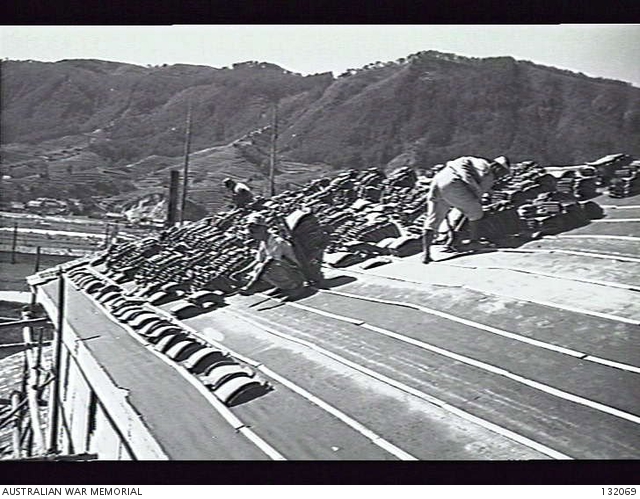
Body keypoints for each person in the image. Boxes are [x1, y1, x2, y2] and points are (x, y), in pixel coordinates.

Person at [422, 155, 510, 264]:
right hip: (454, 183)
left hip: (440, 178)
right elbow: (477, 196)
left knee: (433, 220)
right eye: (502, 173)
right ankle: (474, 242)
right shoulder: (489, 175)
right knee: (476, 212)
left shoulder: (476, 161)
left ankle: (426, 254)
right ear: (497, 167)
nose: (501, 176)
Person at [234, 213, 307, 298]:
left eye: (254, 231)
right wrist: (241, 272)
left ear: (264, 229)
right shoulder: (263, 242)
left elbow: (268, 262)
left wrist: (251, 285)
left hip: (295, 272)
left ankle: (295, 287)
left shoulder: (277, 241)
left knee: (269, 267)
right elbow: (258, 260)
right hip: (286, 270)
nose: (252, 234)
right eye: (251, 231)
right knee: (258, 267)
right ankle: (284, 287)